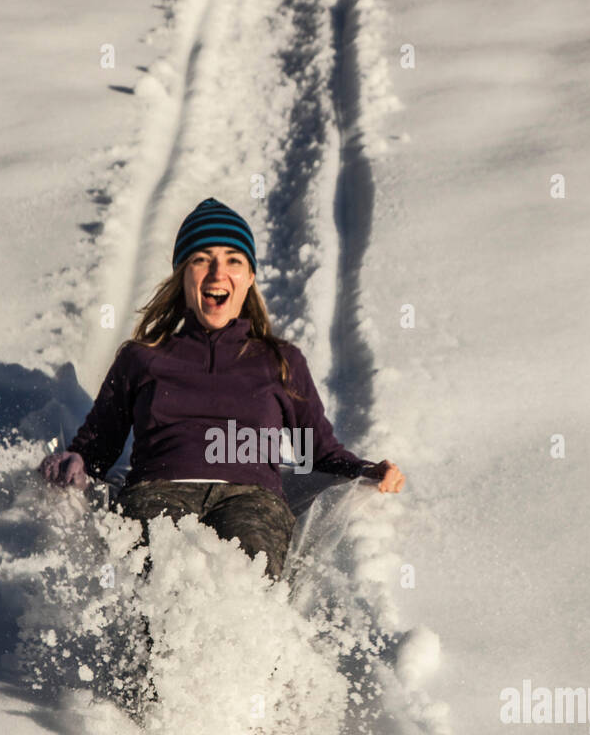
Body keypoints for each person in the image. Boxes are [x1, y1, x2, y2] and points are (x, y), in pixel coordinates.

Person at [40, 198, 404, 579]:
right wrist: (75, 461)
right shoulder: (142, 358)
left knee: (246, 576)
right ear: (183, 275)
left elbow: (319, 453)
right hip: (159, 492)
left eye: (234, 260)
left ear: (249, 277)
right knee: (165, 578)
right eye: (202, 259)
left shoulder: (280, 361)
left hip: (250, 497)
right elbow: (96, 448)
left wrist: (368, 470)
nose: (218, 272)